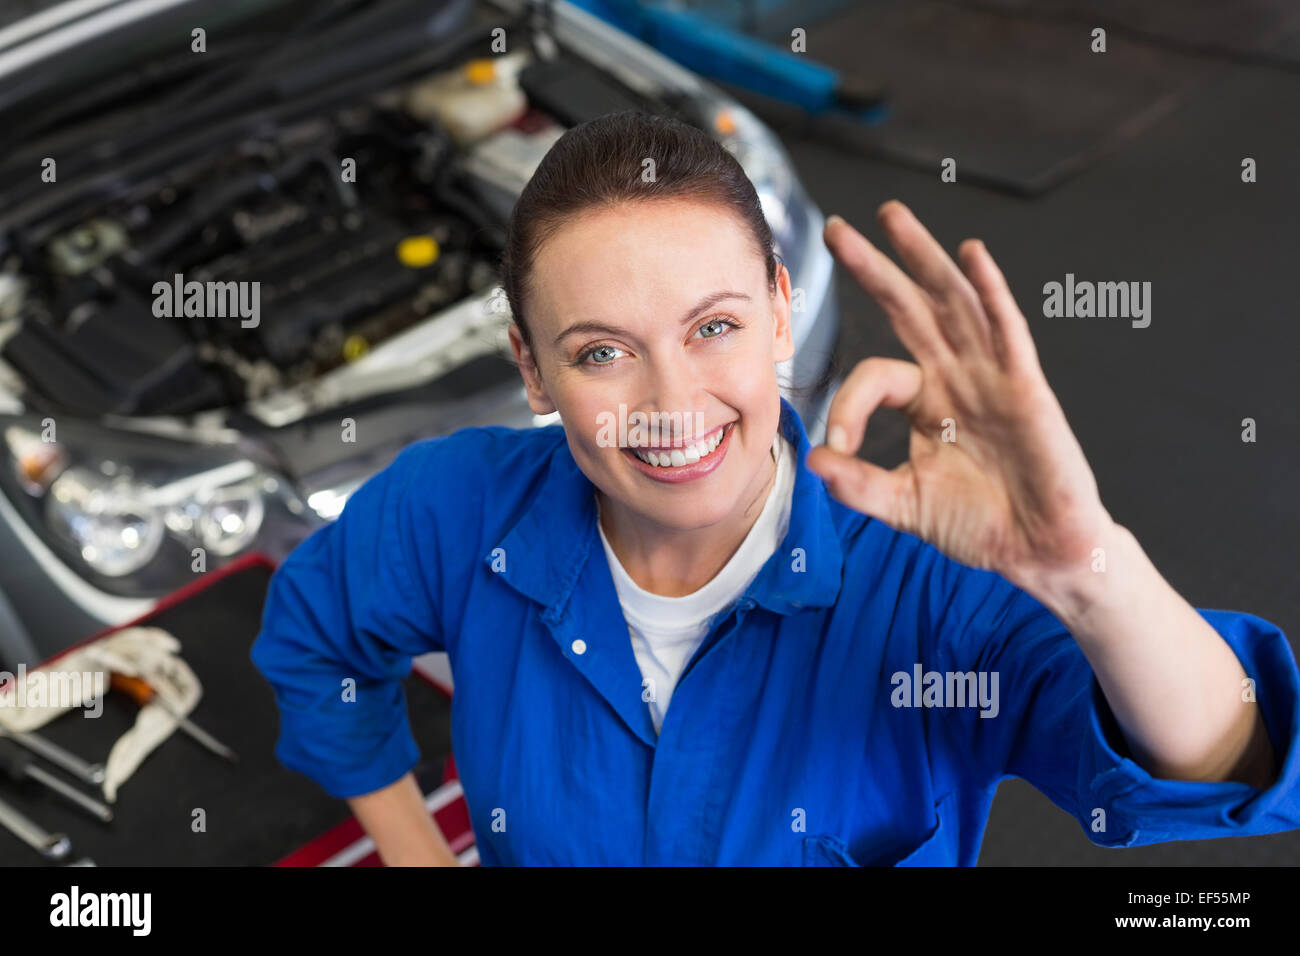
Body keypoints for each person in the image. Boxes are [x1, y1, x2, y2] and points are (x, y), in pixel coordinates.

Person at [250, 110, 1300, 866]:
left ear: (781, 310)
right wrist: (413, 848)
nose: (672, 403)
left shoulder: (935, 589)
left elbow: (1225, 768)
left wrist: (1086, 568)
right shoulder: (451, 510)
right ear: (532, 369)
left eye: (714, 327)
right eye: (602, 351)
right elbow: (313, 636)